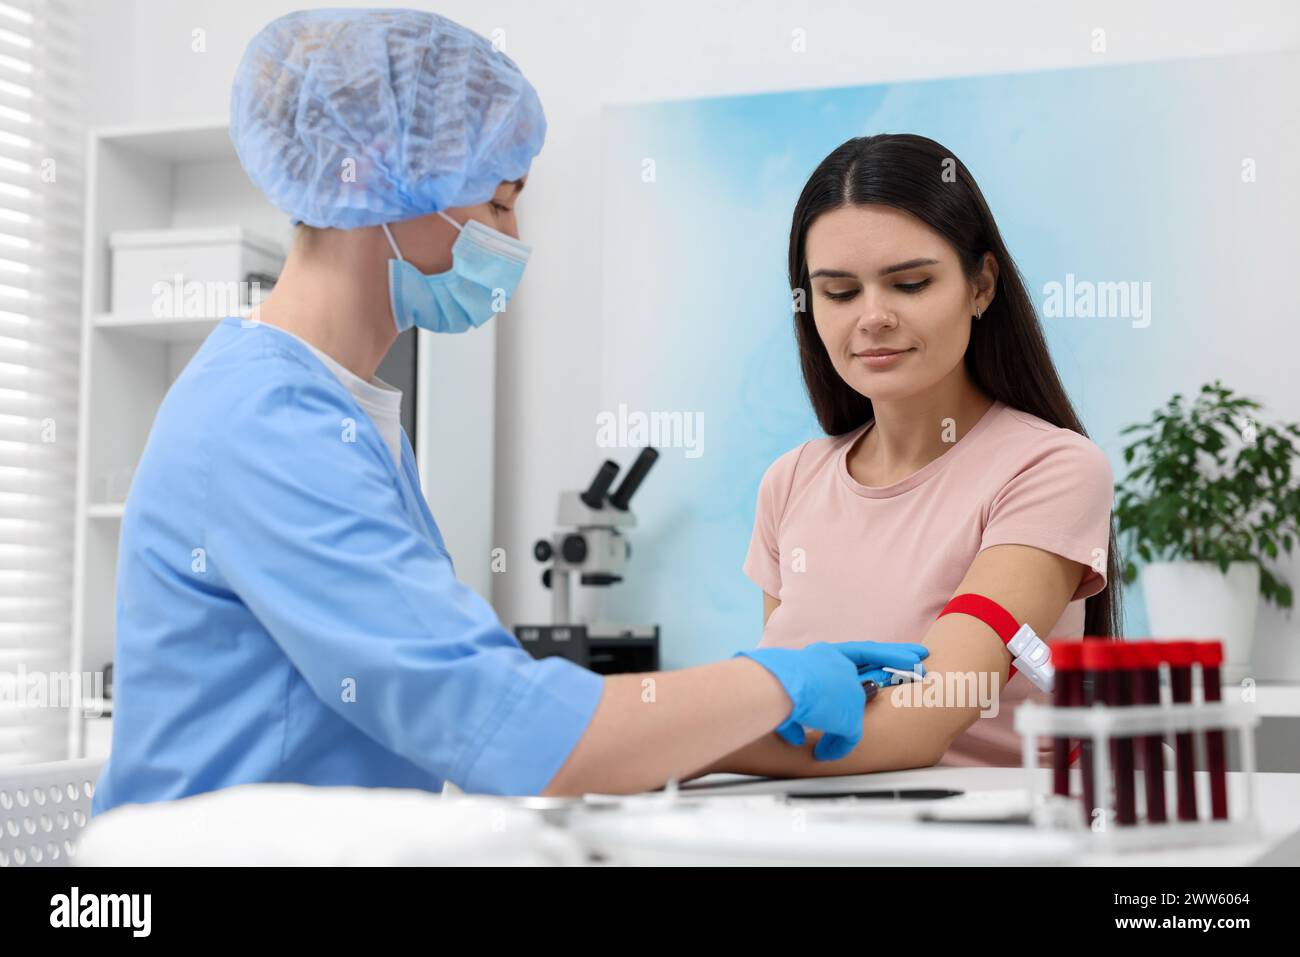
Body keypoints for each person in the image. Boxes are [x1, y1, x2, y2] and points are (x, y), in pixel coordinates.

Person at [91, 9, 928, 814]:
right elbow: (519, 734)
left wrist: (749, 692)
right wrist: (774, 679)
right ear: (387, 176)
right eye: (497, 200)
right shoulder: (266, 422)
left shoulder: (332, 404)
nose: (512, 233)